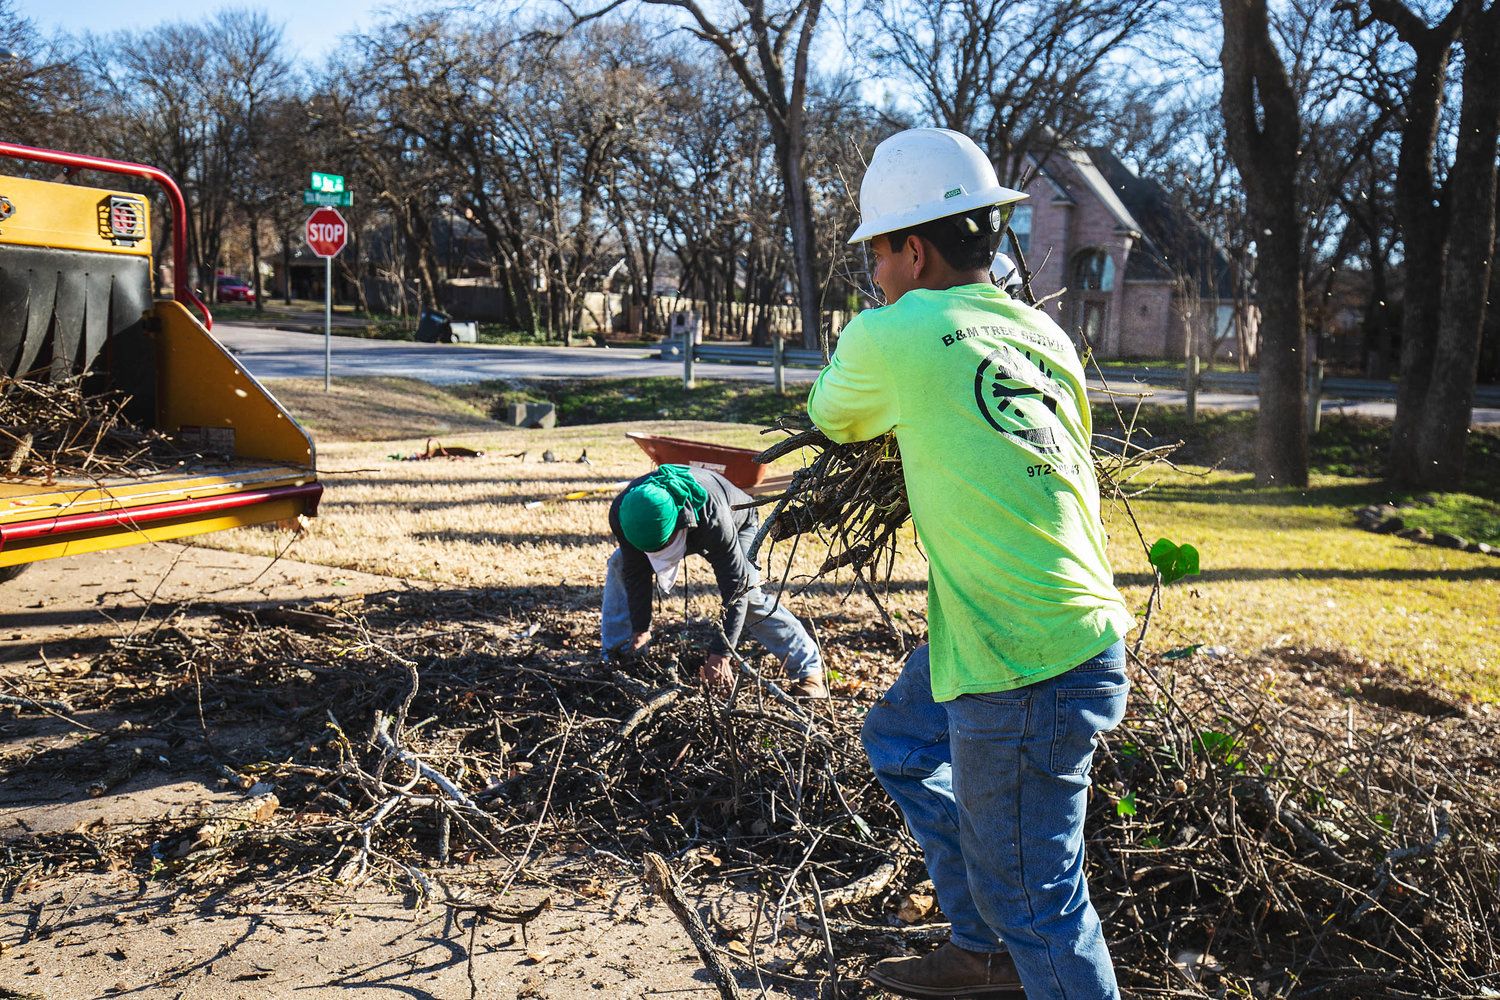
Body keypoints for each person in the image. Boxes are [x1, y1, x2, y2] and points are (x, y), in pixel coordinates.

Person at [808, 128, 1135, 1000]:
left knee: (1040, 899)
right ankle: (982, 950)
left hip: (1024, 660)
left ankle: (1008, 940)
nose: (875, 274)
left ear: (914, 251)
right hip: (1047, 629)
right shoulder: (1044, 335)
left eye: (878, 255)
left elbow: (832, 415)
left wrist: (875, 343)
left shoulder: (894, 331)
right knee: (901, 739)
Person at [602, 463, 827, 698]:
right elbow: (635, 572)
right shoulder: (623, 512)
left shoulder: (713, 517)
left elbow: (736, 586)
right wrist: (640, 628)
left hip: (738, 522)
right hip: (679, 527)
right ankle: (617, 654)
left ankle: (808, 670)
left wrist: (721, 653)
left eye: (661, 548)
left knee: (749, 596)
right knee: (619, 565)